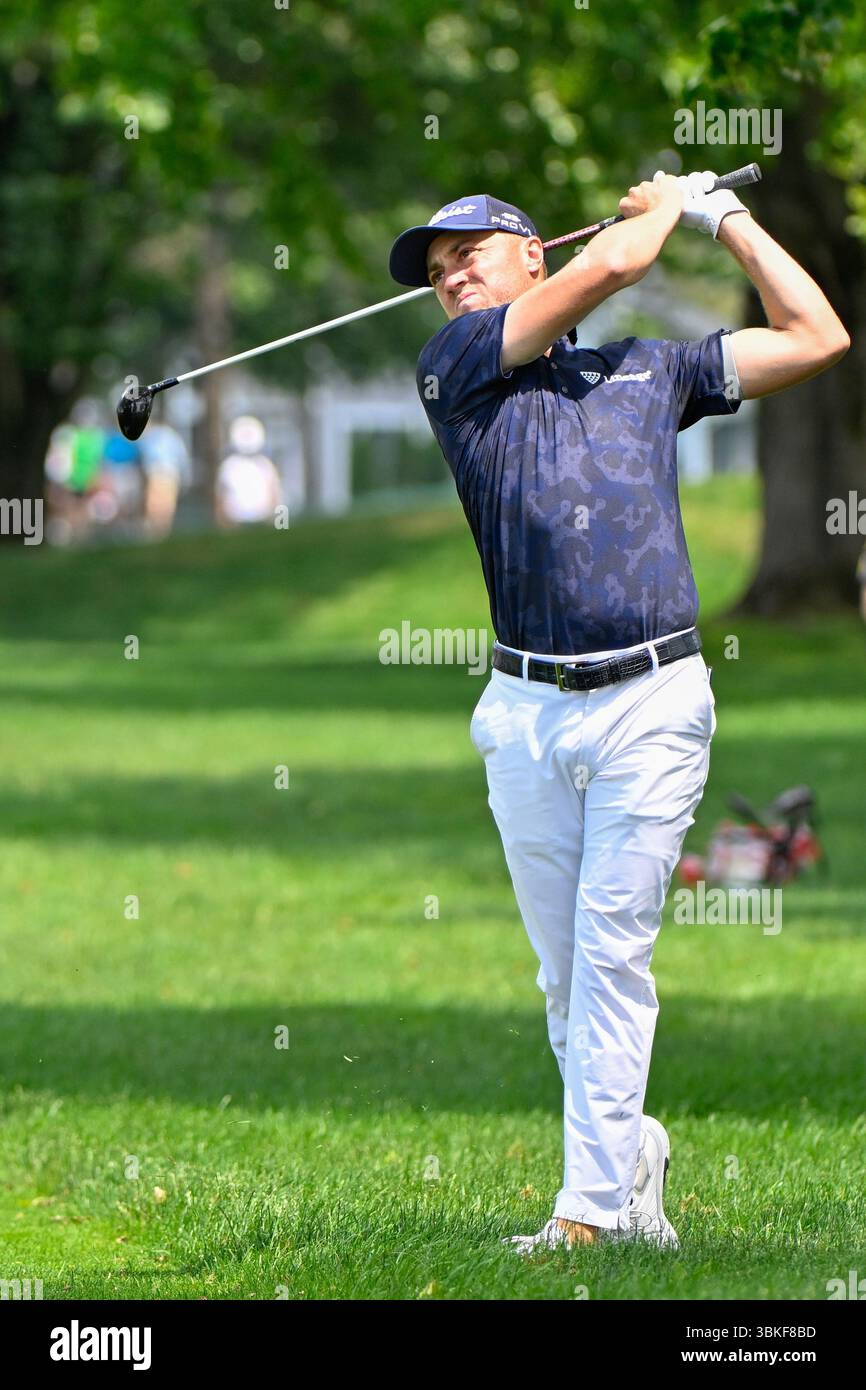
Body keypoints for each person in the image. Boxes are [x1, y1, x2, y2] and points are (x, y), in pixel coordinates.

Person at [388, 174, 849, 1252]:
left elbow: (816, 334)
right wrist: (662, 206)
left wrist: (722, 216)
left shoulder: (648, 368)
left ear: (529, 253)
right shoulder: (455, 368)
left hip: (651, 700)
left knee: (607, 957)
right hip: (524, 711)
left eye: (468, 252)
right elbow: (614, 265)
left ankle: (585, 1217)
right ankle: (627, 1155)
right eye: (434, 267)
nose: (447, 274)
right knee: (562, 977)